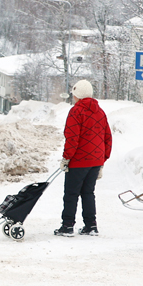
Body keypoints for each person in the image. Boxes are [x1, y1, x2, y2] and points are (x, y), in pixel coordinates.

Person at [55, 79, 112, 237]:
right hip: (96, 161)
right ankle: (91, 226)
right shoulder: (100, 112)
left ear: (77, 95)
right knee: (88, 193)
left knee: (71, 194)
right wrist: (102, 161)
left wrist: (66, 158)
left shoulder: (76, 111)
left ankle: (67, 226)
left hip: (78, 161)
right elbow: (107, 137)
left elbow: (72, 138)